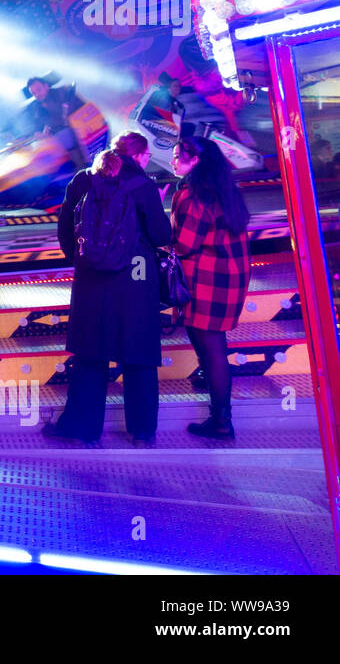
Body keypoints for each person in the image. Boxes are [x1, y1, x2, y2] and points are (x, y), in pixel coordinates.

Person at [46, 131, 172, 446]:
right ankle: (142, 431)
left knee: (91, 353)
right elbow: (159, 235)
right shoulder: (143, 186)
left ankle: (81, 428)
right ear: (141, 156)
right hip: (137, 277)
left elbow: (65, 229)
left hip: (92, 277)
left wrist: (85, 259)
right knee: (139, 353)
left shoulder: (82, 180)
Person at [170, 136, 251, 440]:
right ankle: (219, 413)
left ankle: (221, 421)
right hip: (230, 278)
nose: (173, 161)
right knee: (213, 346)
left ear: (198, 160)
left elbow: (184, 245)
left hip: (207, 281)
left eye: (180, 156)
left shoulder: (194, 196)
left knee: (213, 350)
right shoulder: (226, 190)